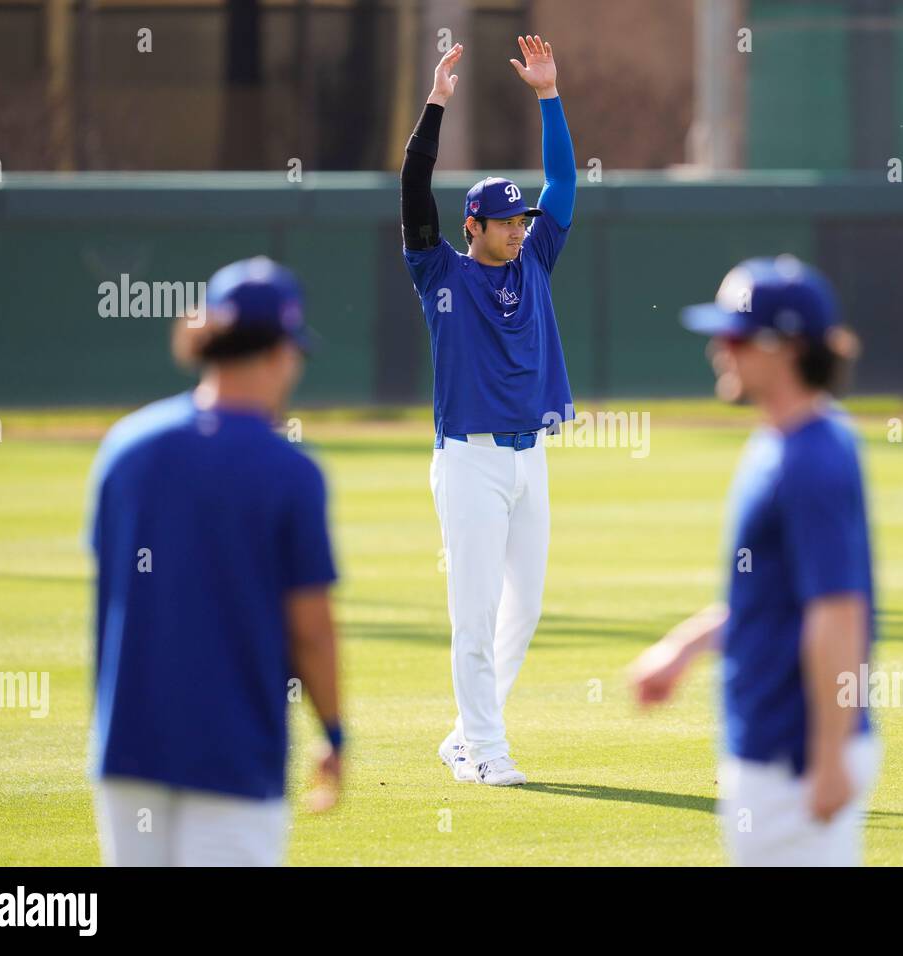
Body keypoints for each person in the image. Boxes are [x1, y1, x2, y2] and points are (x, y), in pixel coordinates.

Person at [88, 257, 342, 865]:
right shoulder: (290, 471)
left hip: (127, 752)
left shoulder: (126, 447)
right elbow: (309, 629)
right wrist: (333, 733)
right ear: (279, 353)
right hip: (233, 758)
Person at [629, 255, 880, 865]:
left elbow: (838, 613)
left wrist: (827, 759)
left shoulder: (811, 459)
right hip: (770, 751)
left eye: (735, 336)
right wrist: (684, 649)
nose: (720, 349)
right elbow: (768, 595)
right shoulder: (782, 441)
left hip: (792, 761)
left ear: (785, 348)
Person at [399, 36, 577, 786]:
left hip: (528, 457)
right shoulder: (439, 270)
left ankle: (468, 733)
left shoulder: (536, 258)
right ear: (472, 225)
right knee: (472, 616)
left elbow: (565, 181)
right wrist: (437, 103)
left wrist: (549, 96)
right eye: (505, 220)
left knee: (522, 612)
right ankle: (484, 751)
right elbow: (413, 188)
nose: (518, 226)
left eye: (521, 218)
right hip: (468, 459)